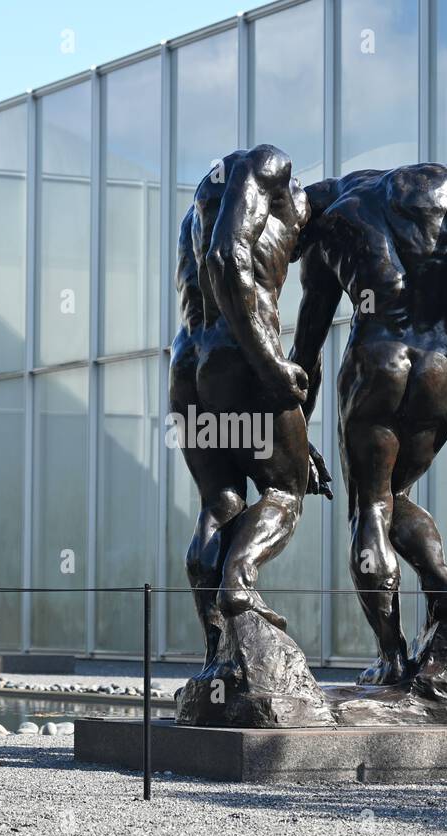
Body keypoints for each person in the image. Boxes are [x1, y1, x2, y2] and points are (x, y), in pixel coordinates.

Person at [289, 162, 447, 684]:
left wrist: (296, 432)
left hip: (376, 360)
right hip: (440, 362)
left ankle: (390, 656)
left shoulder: (327, 225)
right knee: (396, 494)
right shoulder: (446, 183)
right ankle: (438, 576)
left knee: (371, 506)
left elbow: (306, 351)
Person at [170, 145, 330, 665]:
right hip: (240, 353)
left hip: (187, 363)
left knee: (220, 503)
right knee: (286, 491)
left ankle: (219, 656)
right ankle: (238, 584)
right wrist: (270, 364)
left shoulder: (200, 201)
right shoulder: (268, 166)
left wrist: (296, 434)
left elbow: (206, 268)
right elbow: (226, 258)